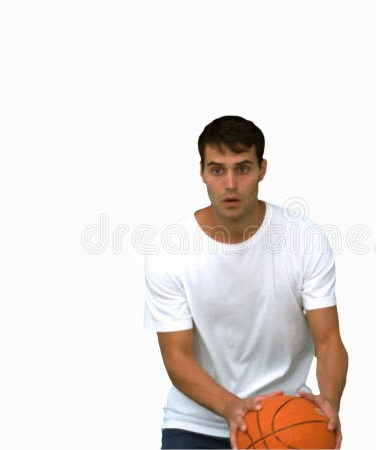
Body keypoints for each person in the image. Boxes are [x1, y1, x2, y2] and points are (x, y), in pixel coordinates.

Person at [143, 115, 348, 449]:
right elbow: (177, 358)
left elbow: (328, 342)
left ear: (262, 170)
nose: (230, 184)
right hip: (197, 424)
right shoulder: (170, 249)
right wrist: (231, 407)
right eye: (217, 170)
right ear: (202, 173)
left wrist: (330, 402)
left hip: (286, 418)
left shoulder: (304, 238)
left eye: (242, 168)